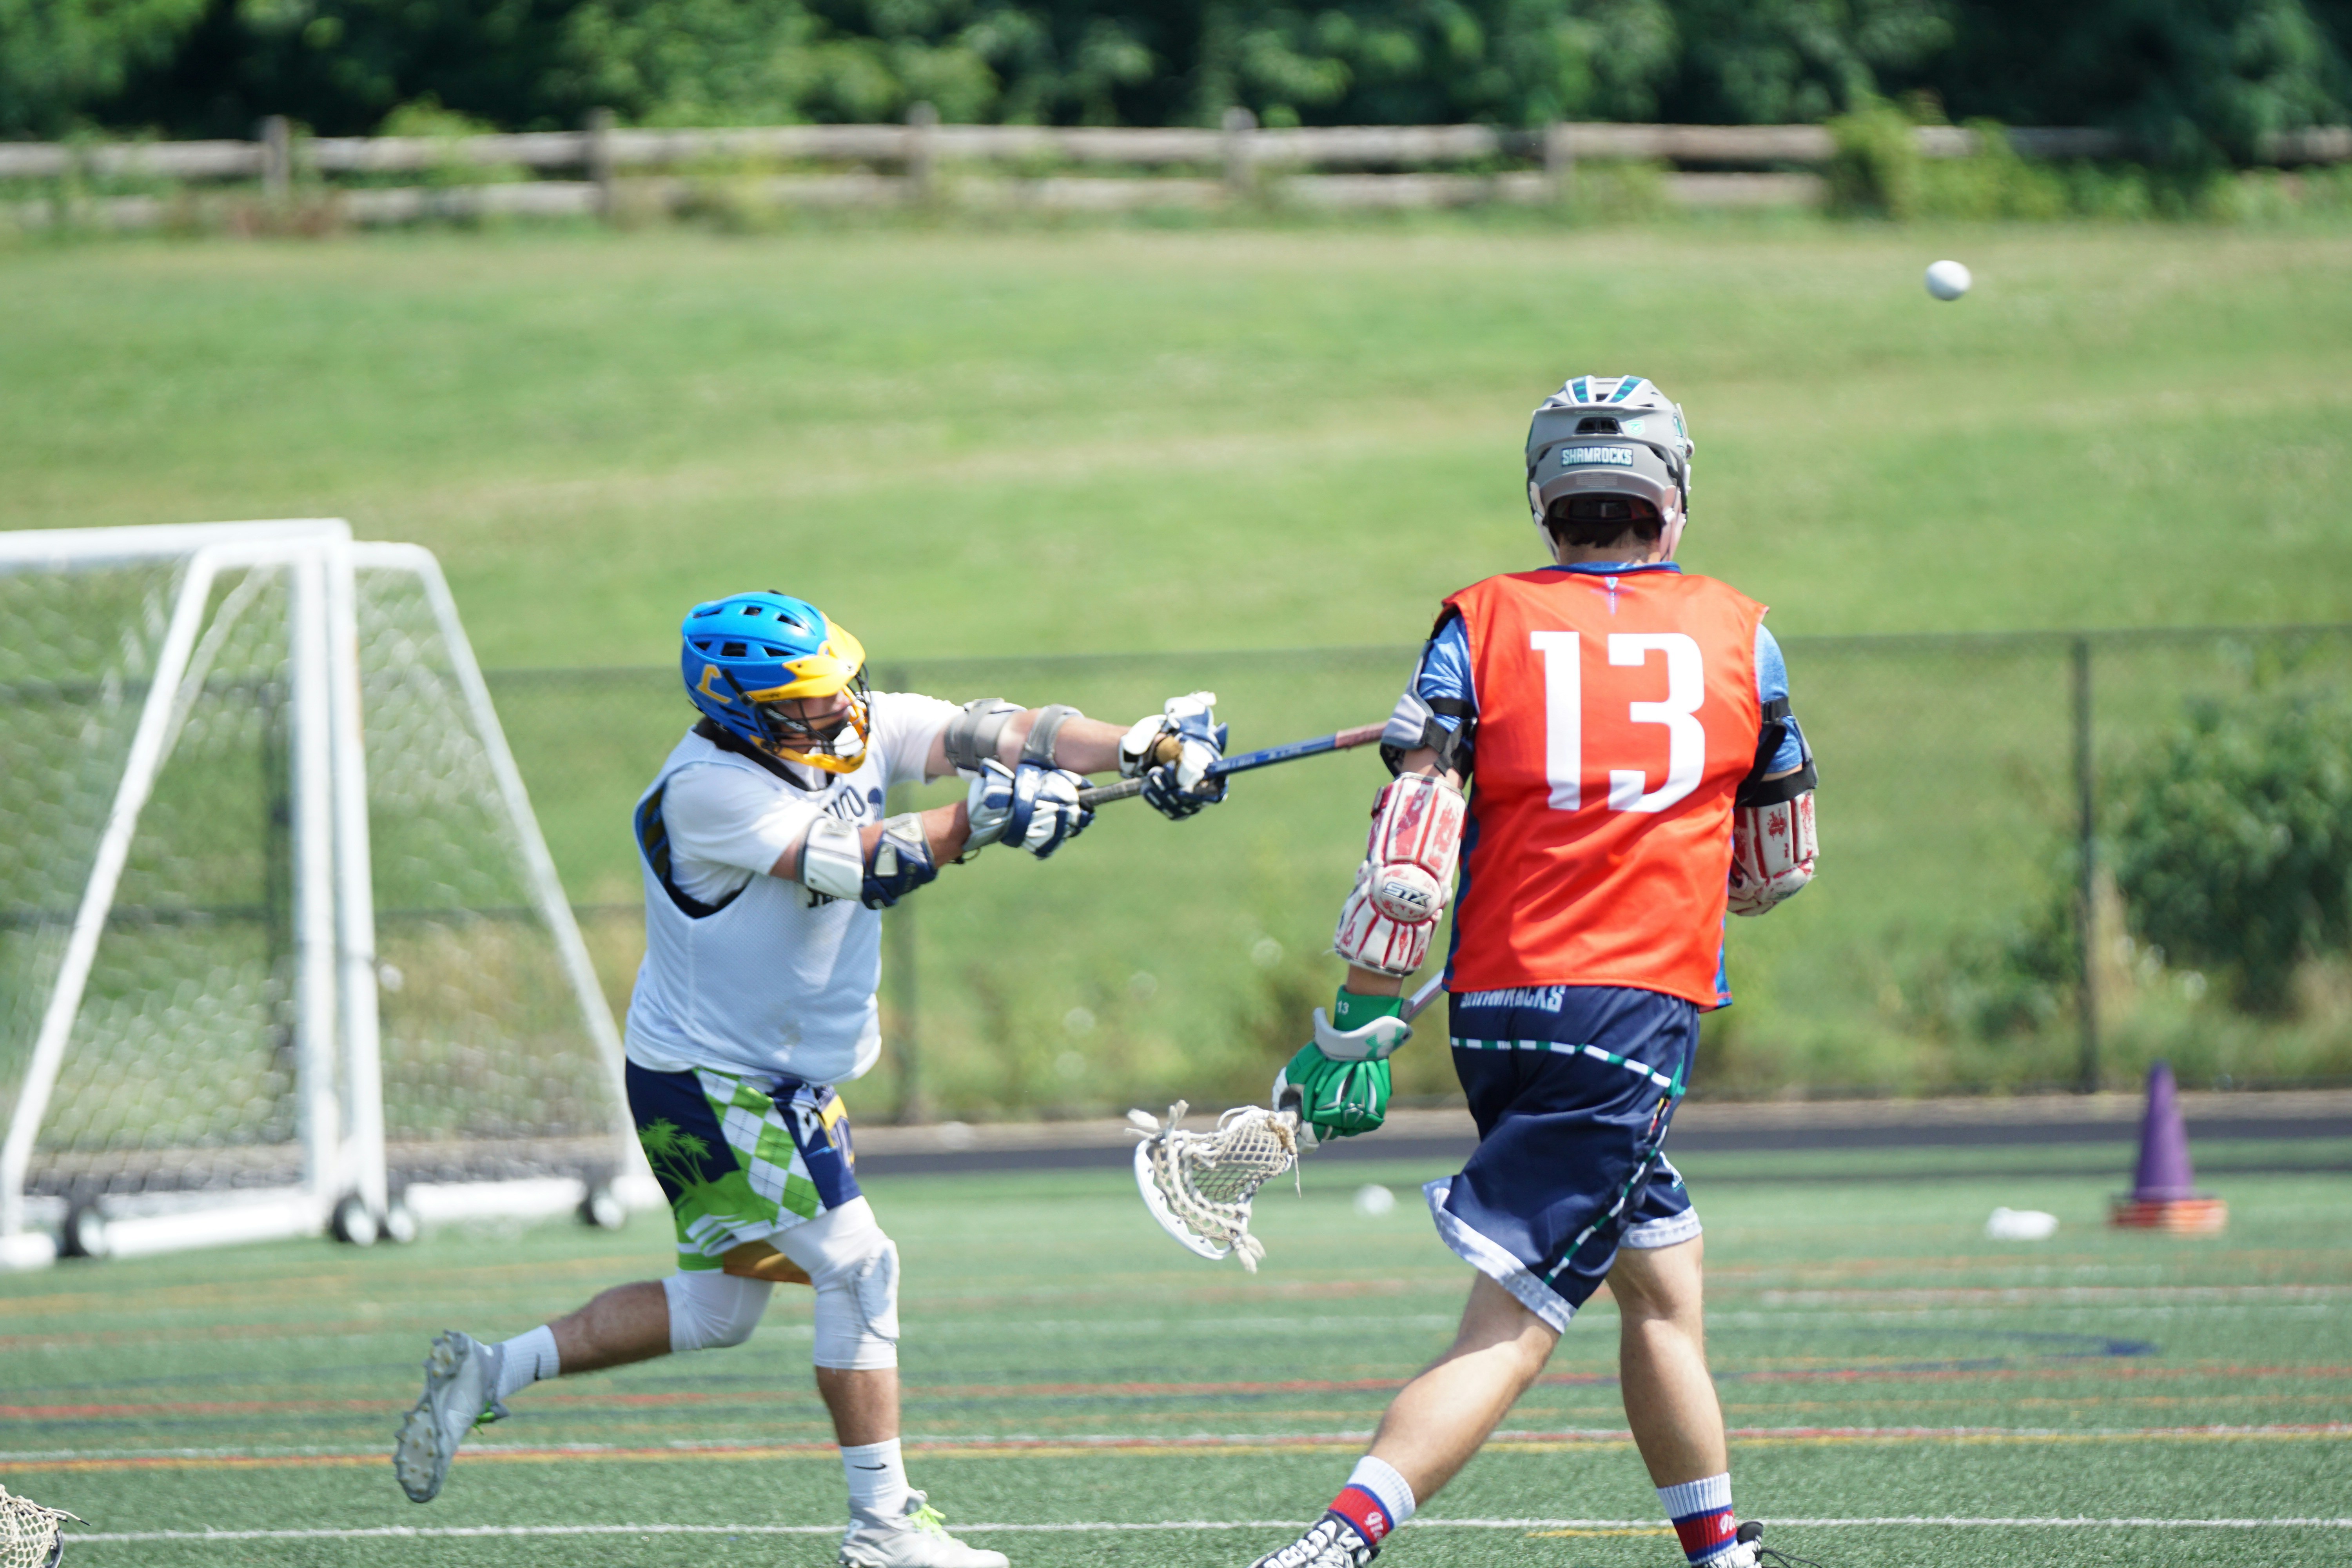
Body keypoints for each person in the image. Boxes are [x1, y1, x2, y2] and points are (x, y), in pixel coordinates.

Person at [393, 590, 1229, 1567]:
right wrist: (985, 819)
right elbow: (860, 862)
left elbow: (1002, 729)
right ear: (739, 708)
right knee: (860, 1265)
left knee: (718, 1310)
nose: (838, 710)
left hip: (760, 1077)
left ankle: (488, 1373)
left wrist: (1141, 749)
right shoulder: (705, 789)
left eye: (838, 686)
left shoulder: (850, 720)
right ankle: (882, 1528)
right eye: (807, 701)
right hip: (717, 1078)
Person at [1257, 377, 1820, 1568]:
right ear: (1672, 493)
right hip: (1629, 1012)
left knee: (1664, 1283)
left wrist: (1360, 1016)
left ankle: (1720, 1549)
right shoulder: (1741, 632)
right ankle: (1333, 1546)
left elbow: (1411, 850)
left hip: (1501, 1009)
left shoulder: (1480, 621)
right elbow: (1778, 863)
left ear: (1544, 497)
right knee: (1512, 1327)